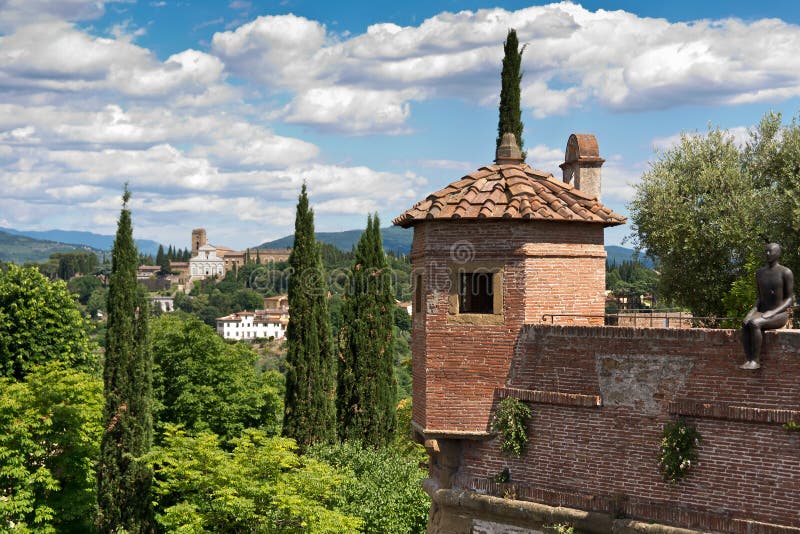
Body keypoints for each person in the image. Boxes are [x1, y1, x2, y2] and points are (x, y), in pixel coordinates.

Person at [740, 243, 794, 370]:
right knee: (745, 323)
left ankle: (755, 361)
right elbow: (760, 298)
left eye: (771, 251)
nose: (767, 254)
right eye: (766, 251)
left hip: (779, 314)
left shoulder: (785, 272)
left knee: (755, 323)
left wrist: (773, 312)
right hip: (763, 312)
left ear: (778, 253)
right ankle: (748, 359)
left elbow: (790, 299)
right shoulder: (759, 273)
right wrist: (752, 311)